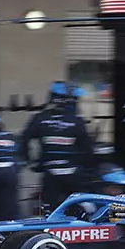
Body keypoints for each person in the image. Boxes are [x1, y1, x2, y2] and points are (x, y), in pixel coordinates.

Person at [21, 81, 96, 210]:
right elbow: (87, 149)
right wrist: (87, 169)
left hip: (50, 174)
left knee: (50, 210)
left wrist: (31, 162)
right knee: (79, 208)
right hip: (73, 174)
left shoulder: (40, 118)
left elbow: (23, 140)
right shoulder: (77, 121)